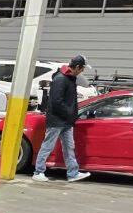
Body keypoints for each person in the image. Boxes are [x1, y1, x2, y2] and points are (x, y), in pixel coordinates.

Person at [33, 55, 91, 183]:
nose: (82, 72)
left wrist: (70, 115)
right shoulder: (61, 79)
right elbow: (56, 102)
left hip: (65, 121)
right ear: (77, 67)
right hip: (56, 120)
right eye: (82, 69)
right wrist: (70, 113)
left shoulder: (69, 78)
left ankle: (73, 173)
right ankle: (38, 172)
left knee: (69, 147)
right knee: (48, 146)